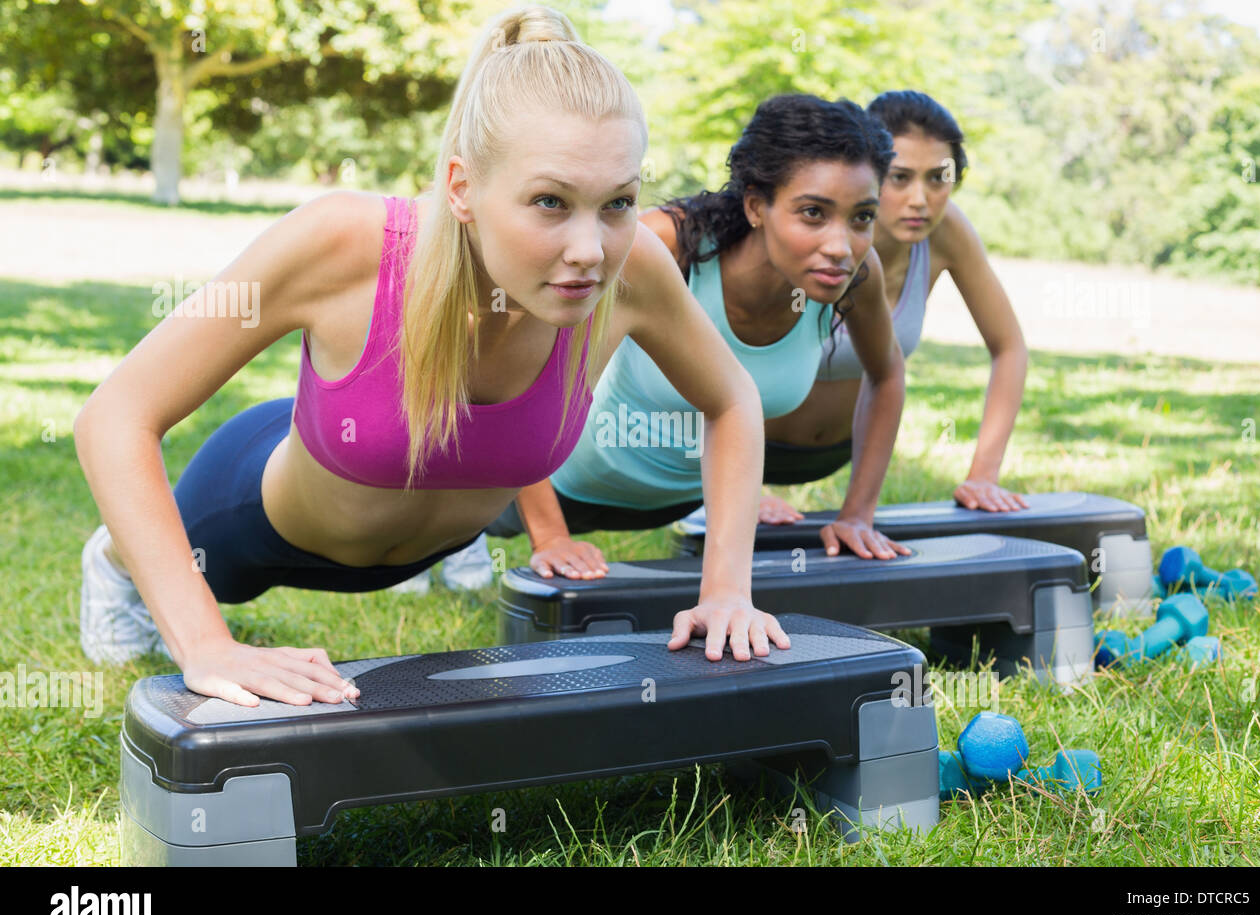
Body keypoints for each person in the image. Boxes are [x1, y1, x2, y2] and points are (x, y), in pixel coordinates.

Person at [75, 5, 788, 709]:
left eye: (618, 203)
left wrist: (727, 590)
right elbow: (114, 417)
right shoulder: (344, 245)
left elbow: (730, 399)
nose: (590, 249)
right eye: (549, 201)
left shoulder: (631, 274)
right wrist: (205, 641)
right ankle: (112, 557)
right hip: (256, 523)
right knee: (180, 559)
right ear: (462, 188)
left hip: (429, 545)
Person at [485, 94, 912, 580]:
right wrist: (551, 536)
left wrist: (857, 513)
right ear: (756, 205)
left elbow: (888, 372)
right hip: (565, 483)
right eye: (813, 213)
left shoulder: (854, 274)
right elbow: (519, 377)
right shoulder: (662, 245)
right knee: (456, 519)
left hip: (686, 501)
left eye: (862, 217)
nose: (840, 245)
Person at [762, 90, 1029, 515]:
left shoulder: (946, 232)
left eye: (938, 178)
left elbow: (1009, 346)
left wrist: (983, 474)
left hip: (839, 451)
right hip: (752, 446)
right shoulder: (801, 231)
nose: (920, 199)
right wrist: (742, 489)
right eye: (900, 178)